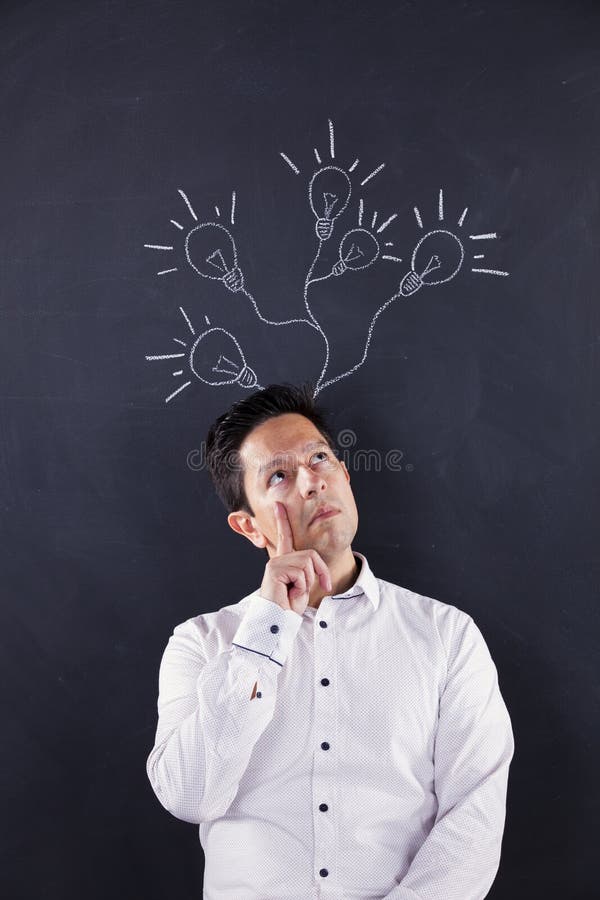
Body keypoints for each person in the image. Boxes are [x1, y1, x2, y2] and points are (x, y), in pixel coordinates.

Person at [146, 382, 514, 900]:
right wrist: (267, 628)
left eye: (319, 458)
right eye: (279, 475)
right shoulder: (200, 643)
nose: (311, 482)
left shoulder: (447, 635)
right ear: (249, 527)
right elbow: (189, 795)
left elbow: (475, 818)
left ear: (345, 475)